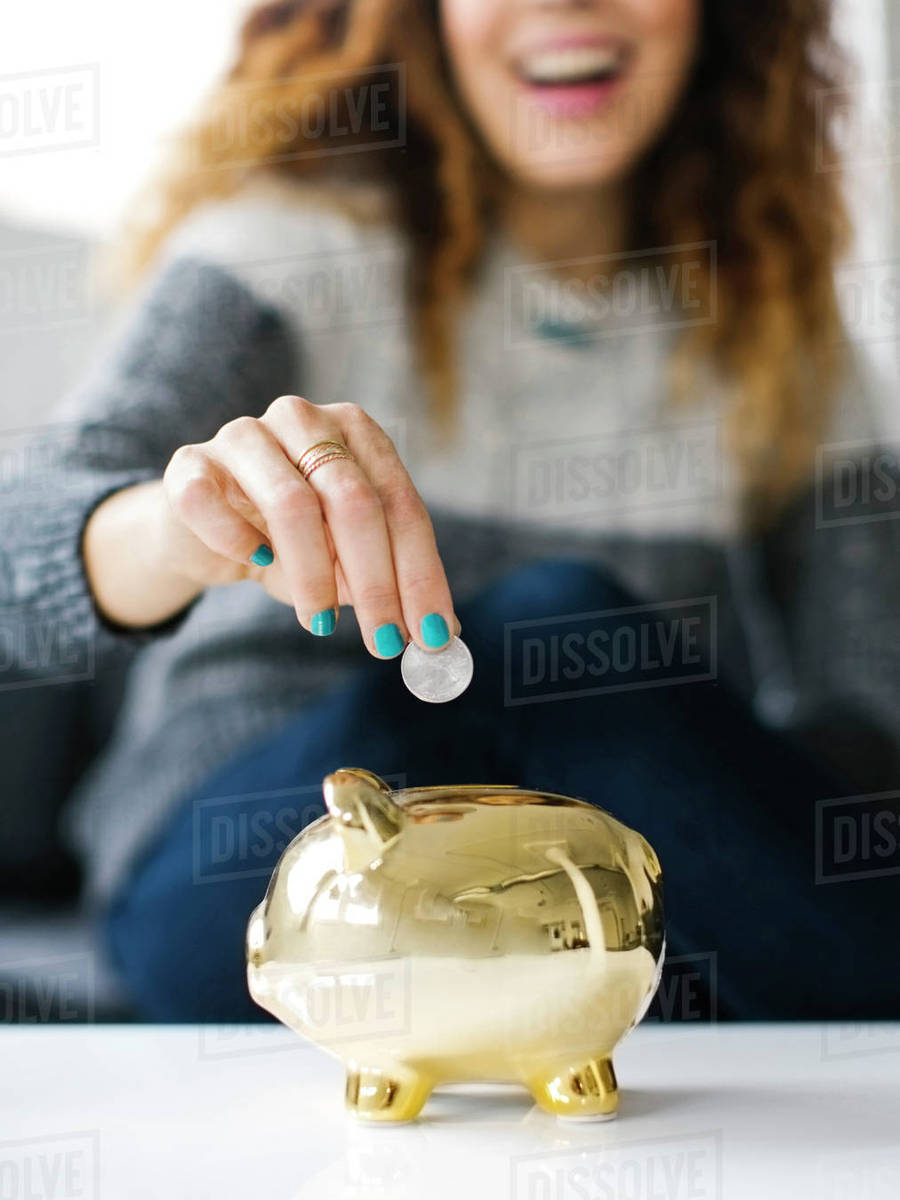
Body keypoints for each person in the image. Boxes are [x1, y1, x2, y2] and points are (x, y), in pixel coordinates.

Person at [3, 0, 898, 1023]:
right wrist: (180, 525)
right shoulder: (279, 252)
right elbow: (16, 559)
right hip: (252, 877)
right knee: (557, 630)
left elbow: (866, 736)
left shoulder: (783, 334)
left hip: (579, 911)